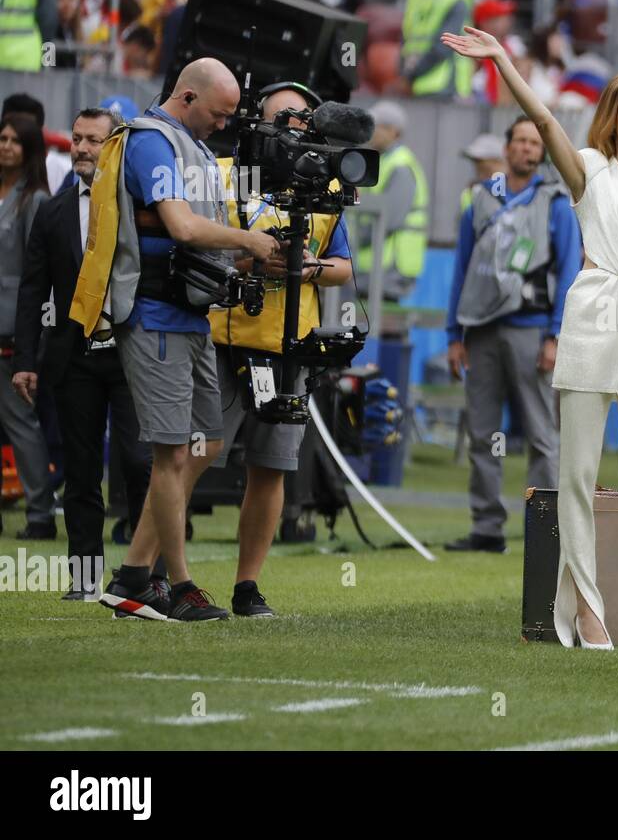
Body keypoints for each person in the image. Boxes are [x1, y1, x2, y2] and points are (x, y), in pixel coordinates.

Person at [442, 25, 618, 651]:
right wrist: (503, 60)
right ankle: (587, 610)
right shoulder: (587, 169)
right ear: (611, 118)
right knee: (577, 476)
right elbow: (544, 116)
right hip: (591, 322)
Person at [80, 58, 278, 622]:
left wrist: (258, 256)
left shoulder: (191, 146)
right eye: (219, 113)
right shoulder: (150, 142)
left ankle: (133, 576)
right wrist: (250, 239)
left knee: (204, 446)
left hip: (190, 315)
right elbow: (182, 228)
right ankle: (179, 584)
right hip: (155, 314)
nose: (224, 125)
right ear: (187, 97)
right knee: (170, 455)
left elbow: (201, 243)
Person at [207, 82, 354, 617]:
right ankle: (156, 572)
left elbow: (342, 267)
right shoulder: (223, 174)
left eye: (306, 119)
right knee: (191, 456)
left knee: (271, 469)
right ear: (257, 122)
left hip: (289, 347)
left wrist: (304, 268)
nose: (297, 127)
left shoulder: (324, 183)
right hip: (221, 341)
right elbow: (193, 245)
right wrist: (248, 261)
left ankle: (247, 587)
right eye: (285, 118)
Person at [12, 107, 155, 597]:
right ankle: (85, 578)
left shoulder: (141, 205)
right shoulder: (51, 211)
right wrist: (25, 362)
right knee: (80, 470)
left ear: (115, 146)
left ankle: (144, 573)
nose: (81, 148)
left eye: (94, 140)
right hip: (73, 358)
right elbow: (33, 292)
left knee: (139, 462)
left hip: (132, 352)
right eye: (76, 139)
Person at [443, 115, 582, 553]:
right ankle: (487, 528)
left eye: (534, 142)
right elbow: (463, 270)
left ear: (542, 152)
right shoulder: (481, 200)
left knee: (542, 435)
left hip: (531, 329)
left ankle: (543, 530)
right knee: (483, 433)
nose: (526, 148)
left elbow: (569, 272)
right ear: (507, 148)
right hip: (481, 331)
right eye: (519, 141)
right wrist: (455, 334)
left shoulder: (556, 202)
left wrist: (556, 334)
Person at [0, 113, 54, 538]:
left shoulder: (34, 198)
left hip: (12, 325)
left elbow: (36, 274)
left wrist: (28, 336)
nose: (5, 146)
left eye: (15, 141)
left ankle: (39, 514)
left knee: (20, 421)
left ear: (30, 148)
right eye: (1, 138)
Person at [354, 100, 429, 303]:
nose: (372, 132)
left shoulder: (401, 166)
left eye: (377, 126)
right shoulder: (382, 161)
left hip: (390, 269)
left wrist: (352, 242)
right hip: (374, 267)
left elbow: (389, 219)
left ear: (394, 131)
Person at [401, 0, 475, 97]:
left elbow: (445, 44)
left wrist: (412, 71)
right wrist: (404, 68)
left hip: (446, 79)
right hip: (418, 77)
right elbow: (406, 34)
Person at [458, 132, 506, 212]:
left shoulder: (518, 192)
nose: (478, 167)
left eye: (481, 161)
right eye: (475, 161)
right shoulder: (471, 192)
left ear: (498, 162)